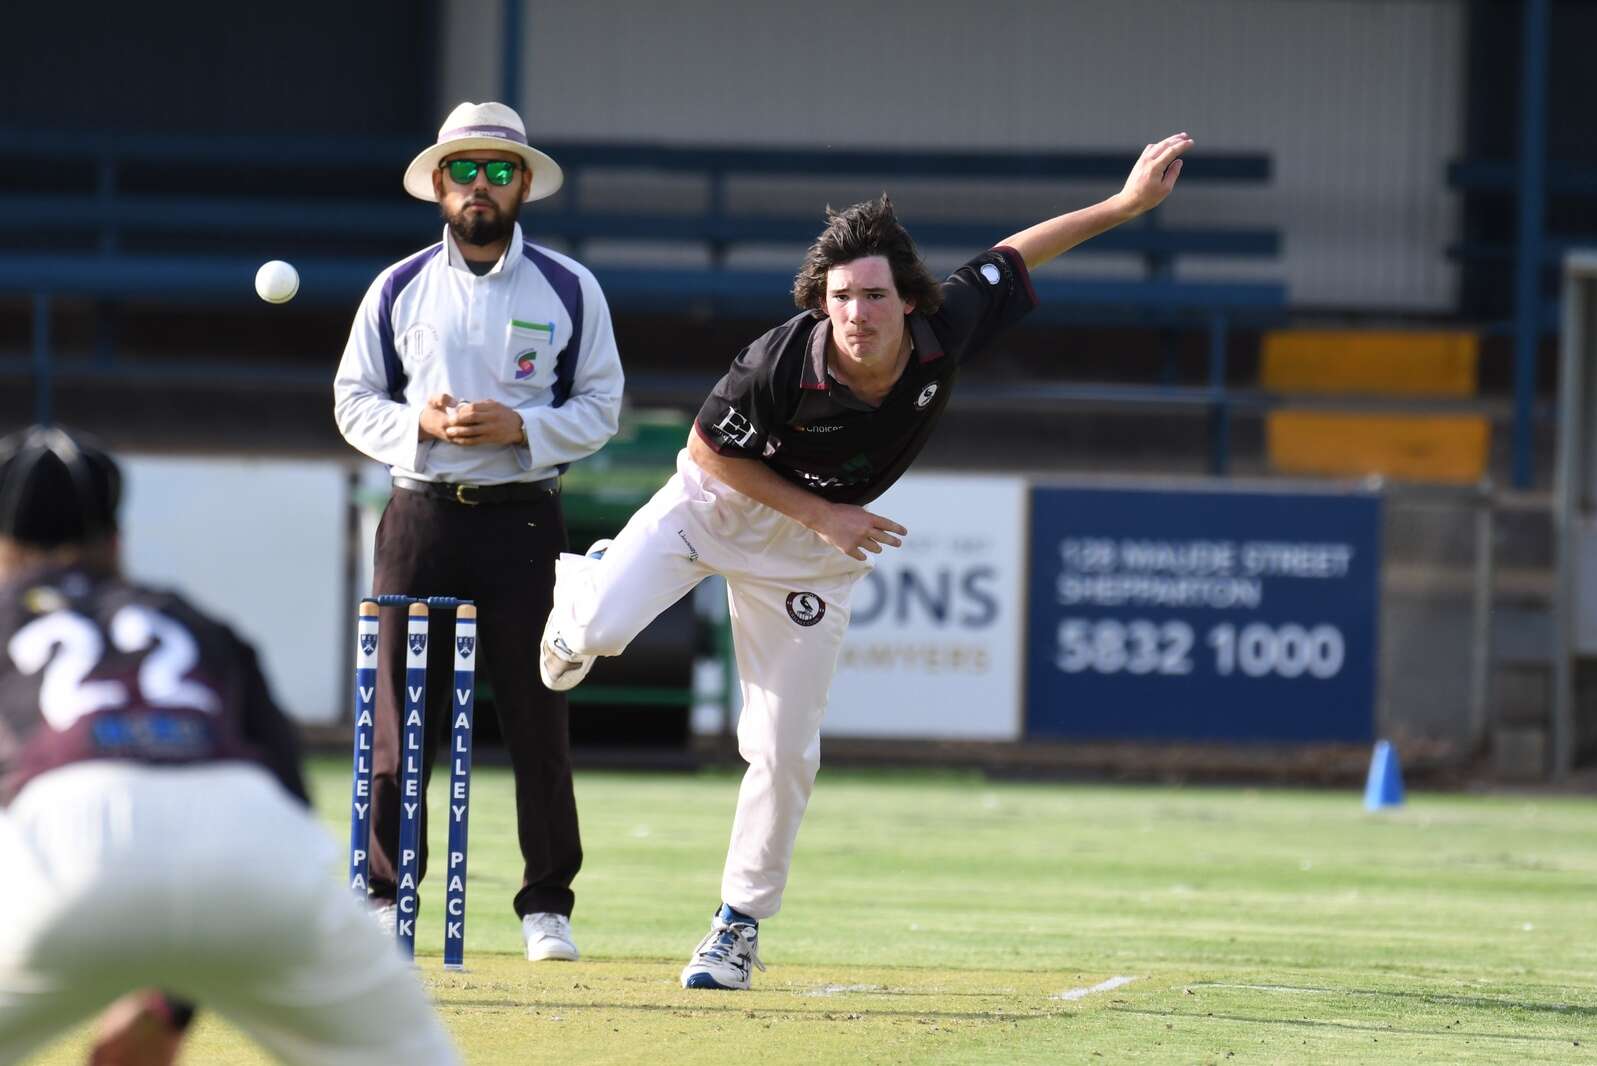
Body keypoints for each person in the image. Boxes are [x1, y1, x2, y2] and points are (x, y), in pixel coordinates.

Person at [540, 134, 1195, 989]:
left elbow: (1016, 252)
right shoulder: (776, 361)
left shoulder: (944, 326)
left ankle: (736, 928)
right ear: (823, 303)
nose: (858, 314)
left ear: (907, 300)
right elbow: (707, 455)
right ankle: (586, 585)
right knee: (598, 630)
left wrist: (1124, 205)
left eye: (875, 295)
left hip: (809, 559)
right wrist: (826, 513)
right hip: (715, 506)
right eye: (842, 297)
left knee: (785, 751)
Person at [0, 426, 459, 1065]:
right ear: (116, 539)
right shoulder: (189, 619)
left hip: (73, 854)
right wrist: (171, 1006)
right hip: (259, 853)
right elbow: (289, 789)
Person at [334, 100, 624, 962]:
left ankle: (547, 906)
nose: (480, 187)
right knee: (401, 716)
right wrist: (418, 424)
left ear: (524, 184)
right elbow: (352, 400)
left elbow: (601, 405)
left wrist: (522, 427)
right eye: (464, 170)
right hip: (419, 516)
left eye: (499, 171)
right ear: (439, 185)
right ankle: (387, 896)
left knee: (537, 711)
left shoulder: (569, 287)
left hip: (524, 517)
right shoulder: (398, 286)